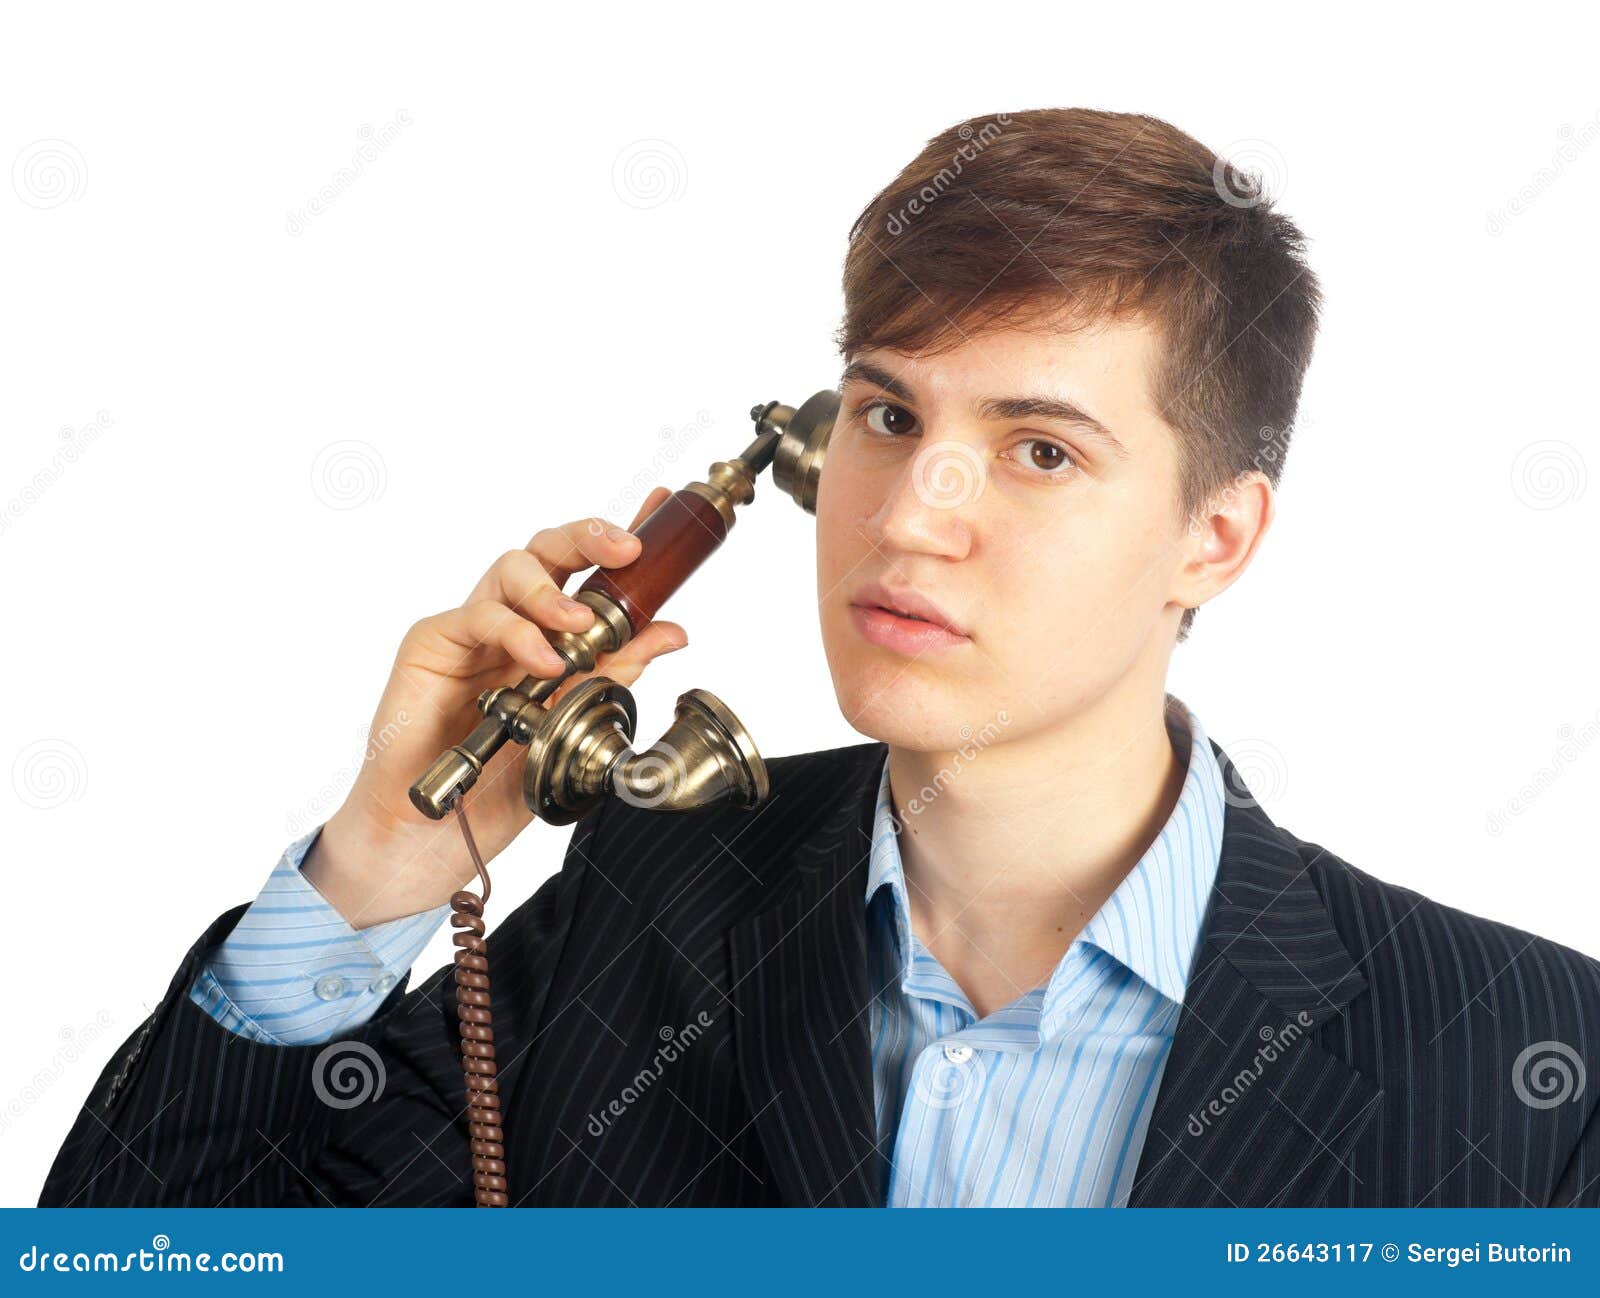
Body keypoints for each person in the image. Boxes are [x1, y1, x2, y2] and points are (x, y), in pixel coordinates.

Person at [42, 107, 1600, 1208]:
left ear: (1216, 537)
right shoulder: (638, 913)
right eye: (889, 413)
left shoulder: (1532, 1061)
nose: (909, 515)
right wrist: (379, 862)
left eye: (1041, 450)